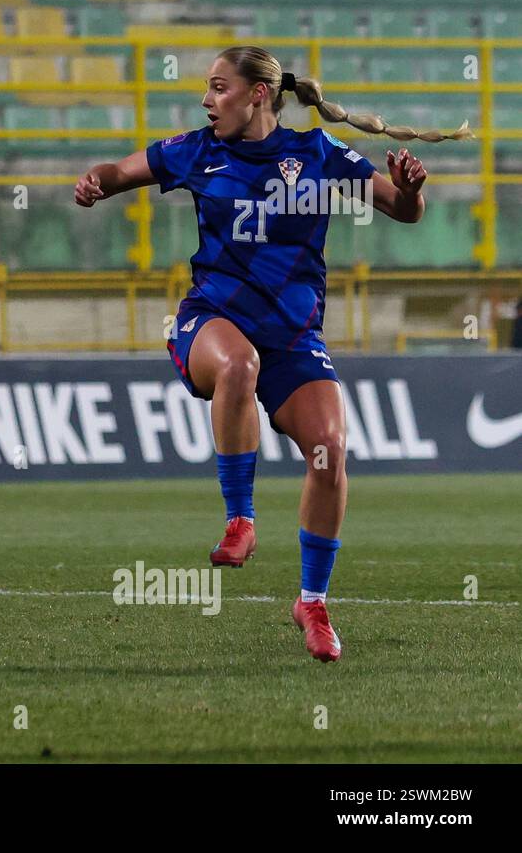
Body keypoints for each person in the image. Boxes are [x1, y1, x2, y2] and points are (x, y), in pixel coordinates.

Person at [74, 45, 471, 662]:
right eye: (207, 89)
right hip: (210, 322)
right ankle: (240, 520)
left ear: (258, 94)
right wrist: (95, 183)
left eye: (217, 88)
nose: (207, 101)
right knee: (237, 365)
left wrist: (413, 191)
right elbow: (120, 172)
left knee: (330, 452)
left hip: (292, 338)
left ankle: (311, 601)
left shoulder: (316, 153)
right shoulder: (195, 151)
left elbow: (401, 209)